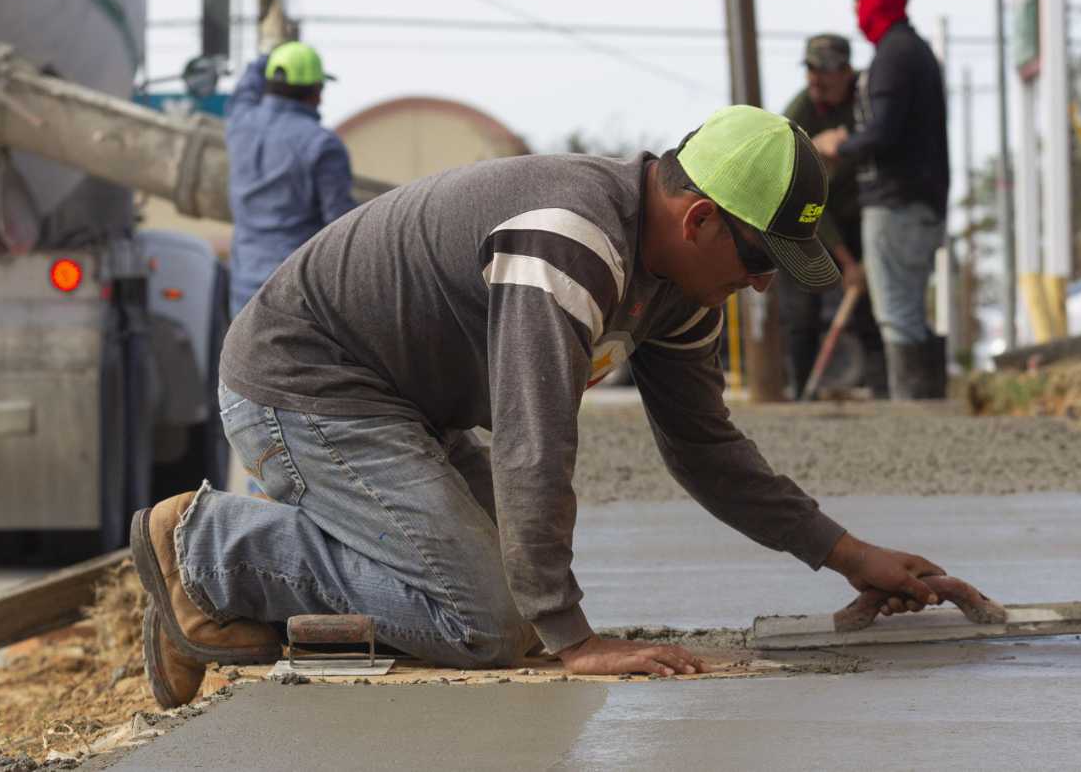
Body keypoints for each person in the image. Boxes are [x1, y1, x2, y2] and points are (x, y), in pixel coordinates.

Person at [133, 105, 955, 706]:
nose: (764, 282)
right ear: (700, 217)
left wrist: (846, 553)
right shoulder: (571, 239)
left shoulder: (683, 290)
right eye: (759, 256)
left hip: (405, 415)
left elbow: (704, 447)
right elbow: (534, 442)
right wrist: (577, 640)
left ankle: (233, 601)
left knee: (500, 605)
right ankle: (208, 549)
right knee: (488, 620)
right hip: (304, 386)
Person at [814, 0, 951, 400]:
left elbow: (886, 131)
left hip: (899, 202)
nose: (855, 4)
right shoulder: (905, 50)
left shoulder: (897, 52)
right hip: (911, 201)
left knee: (897, 313)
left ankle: (915, 414)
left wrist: (841, 144)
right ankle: (926, 405)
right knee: (905, 308)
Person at [779, 34, 886, 399]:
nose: (814, 81)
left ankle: (885, 393)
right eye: (809, 70)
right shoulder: (797, 117)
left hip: (858, 212)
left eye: (822, 72)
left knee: (870, 311)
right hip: (800, 220)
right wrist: (846, 266)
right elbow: (809, 205)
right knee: (802, 316)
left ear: (844, 71)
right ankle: (802, 395)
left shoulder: (867, 100)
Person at [223, 40, 357, 319]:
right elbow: (341, 229)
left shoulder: (240, 124)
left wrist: (267, 53)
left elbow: (245, 89)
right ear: (316, 92)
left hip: (243, 292)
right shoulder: (322, 145)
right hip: (295, 295)